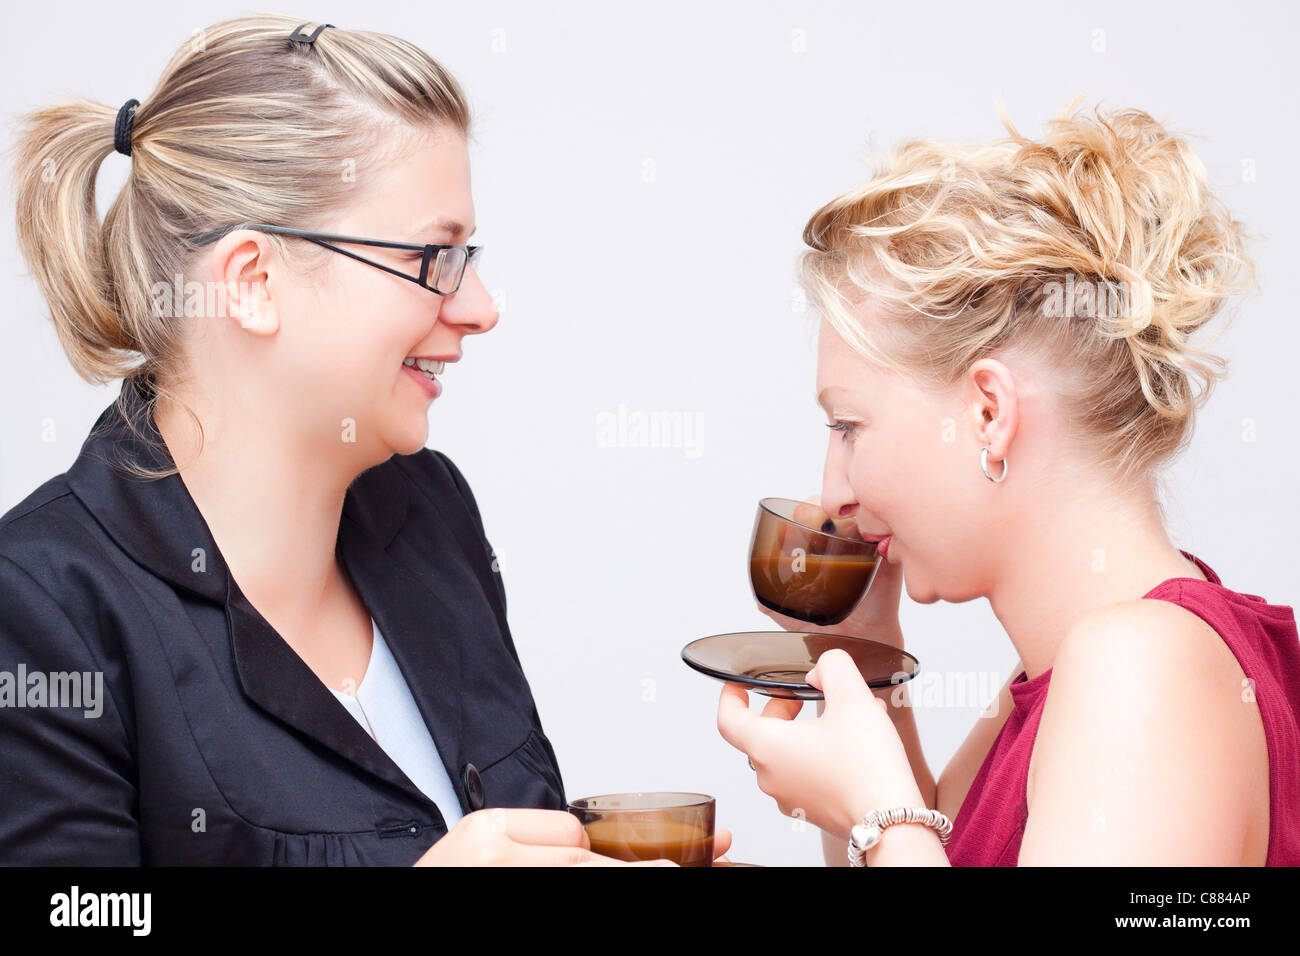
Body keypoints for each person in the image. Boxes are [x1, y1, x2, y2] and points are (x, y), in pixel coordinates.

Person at [0, 13, 729, 866]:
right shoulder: (41, 611)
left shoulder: (429, 513)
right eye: (434, 258)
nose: (480, 307)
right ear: (254, 282)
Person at [717, 101, 1300, 866]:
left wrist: (876, 812)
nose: (834, 496)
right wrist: (866, 657)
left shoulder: (1139, 669)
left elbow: (901, 844)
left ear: (988, 413)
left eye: (849, 426)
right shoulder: (1058, 676)